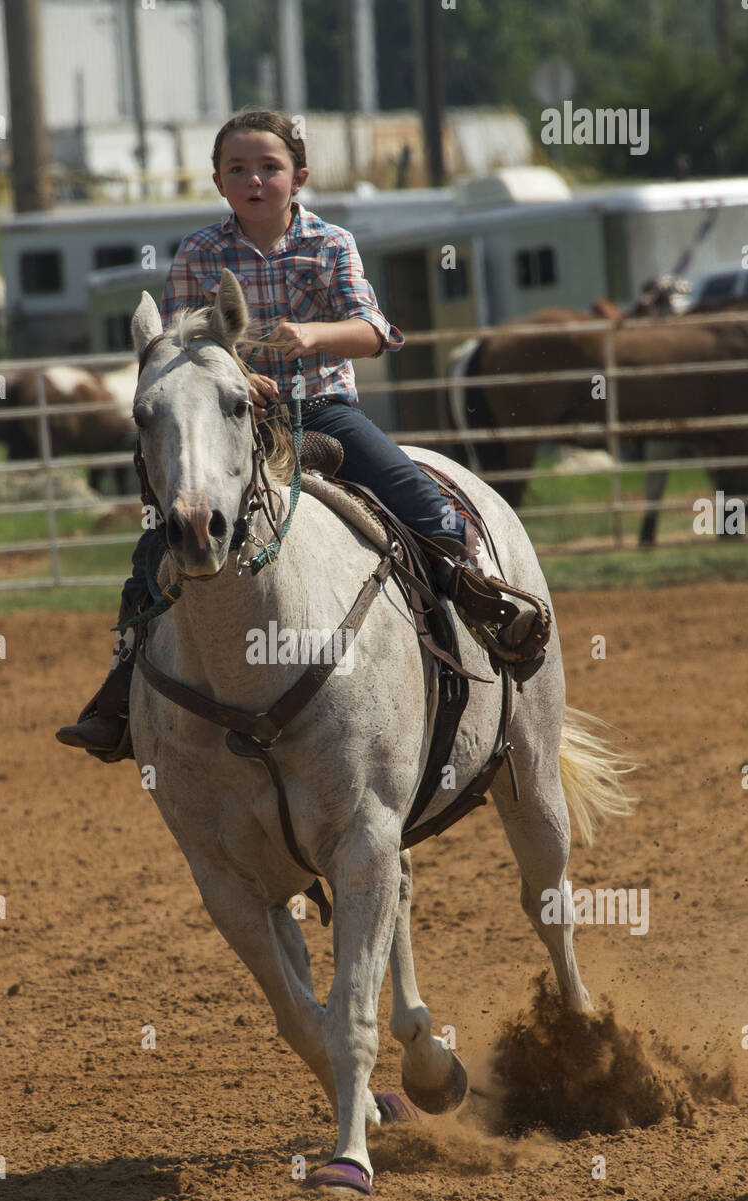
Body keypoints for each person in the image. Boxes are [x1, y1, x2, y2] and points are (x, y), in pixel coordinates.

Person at [57, 110, 543, 759]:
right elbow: (179, 347)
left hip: (325, 408)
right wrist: (240, 376)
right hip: (236, 419)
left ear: (298, 177)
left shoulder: (329, 242)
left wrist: (312, 336)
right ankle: (122, 684)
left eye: (268, 167)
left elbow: (375, 331)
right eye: (237, 169)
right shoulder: (202, 251)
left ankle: (479, 601)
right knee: (156, 545)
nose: (253, 179)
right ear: (217, 180)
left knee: (416, 499)